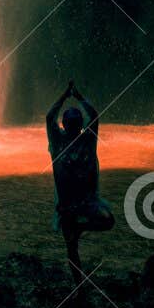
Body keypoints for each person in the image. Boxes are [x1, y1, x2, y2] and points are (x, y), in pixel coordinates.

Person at [46, 78, 114, 287]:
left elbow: (51, 117)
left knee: (104, 223)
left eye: (76, 124)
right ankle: (78, 287)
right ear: (68, 125)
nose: (75, 126)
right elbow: (93, 116)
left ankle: (81, 229)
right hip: (69, 206)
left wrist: (67, 96)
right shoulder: (72, 141)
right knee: (73, 247)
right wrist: (75, 96)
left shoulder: (78, 140)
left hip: (84, 202)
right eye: (72, 123)